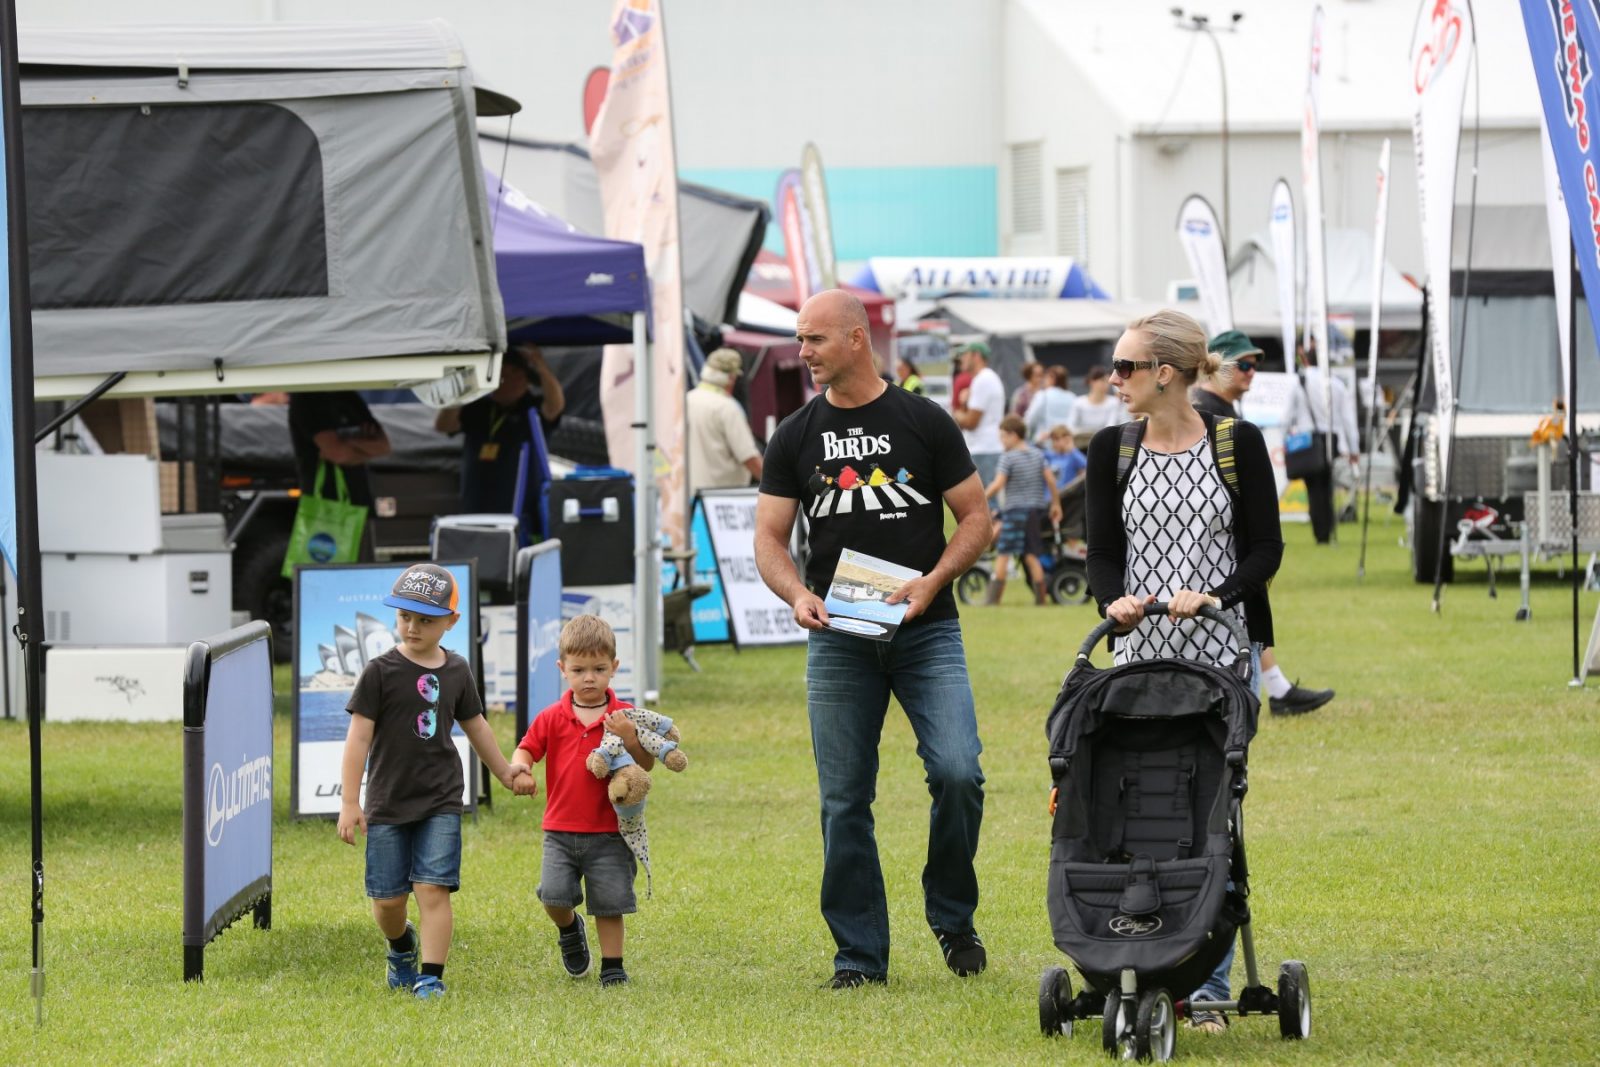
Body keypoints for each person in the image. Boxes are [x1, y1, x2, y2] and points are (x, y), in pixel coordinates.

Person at [754, 289, 991, 990]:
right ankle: (859, 954)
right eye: (801, 339)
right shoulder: (795, 433)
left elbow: (976, 517)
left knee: (958, 772)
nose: (803, 352)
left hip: (927, 631)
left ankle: (952, 916)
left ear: (857, 339)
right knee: (843, 800)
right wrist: (798, 593)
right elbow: (769, 538)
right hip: (840, 640)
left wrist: (933, 579)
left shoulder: (922, 419)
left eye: (814, 340)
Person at [1083, 310, 1284, 1033]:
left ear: (1165, 372)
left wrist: (1217, 594)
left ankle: (1209, 985)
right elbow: (1100, 553)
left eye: (1125, 367)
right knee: (1143, 810)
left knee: (1213, 816)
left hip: (1222, 660)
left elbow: (1266, 549)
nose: (1115, 380)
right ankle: (1143, 960)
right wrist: (1116, 599)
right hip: (1136, 664)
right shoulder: (1112, 448)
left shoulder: (1236, 443)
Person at [336, 563, 529, 999]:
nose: (413, 626)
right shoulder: (379, 672)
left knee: (433, 888)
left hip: (441, 799)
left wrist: (503, 771)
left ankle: (430, 976)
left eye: (425, 619)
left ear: (451, 621)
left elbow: (476, 726)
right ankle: (400, 944)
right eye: (405, 616)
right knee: (388, 901)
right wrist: (351, 801)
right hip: (387, 801)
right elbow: (358, 739)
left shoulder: (457, 671)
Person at [507, 614, 656, 988]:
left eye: (598, 668)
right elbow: (526, 750)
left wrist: (631, 737)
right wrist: (520, 768)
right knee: (554, 895)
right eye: (578, 669)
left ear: (614, 668)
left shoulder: (625, 715)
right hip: (559, 829)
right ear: (562, 669)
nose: (589, 677)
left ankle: (613, 966)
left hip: (609, 831)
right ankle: (570, 928)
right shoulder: (551, 717)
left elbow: (646, 763)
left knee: (610, 903)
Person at [1194, 330, 1335, 716]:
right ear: (1216, 366)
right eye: (1243, 365)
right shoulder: (1207, 411)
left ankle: (1275, 690)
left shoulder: (1220, 409)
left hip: (1232, 541)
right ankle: (1250, 696)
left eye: (1255, 365)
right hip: (1217, 544)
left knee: (1247, 611)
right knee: (1235, 614)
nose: (1251, 373)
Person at [435, 343, 565, 529]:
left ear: (523, 377)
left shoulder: (532, 409)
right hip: (476, 508)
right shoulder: (478, 407)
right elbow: (443, 425)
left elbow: (555, 406)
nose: (500, 381)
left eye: (506, 374)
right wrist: (463, 388)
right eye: (497, 374)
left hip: (520, 510)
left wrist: (540, 366)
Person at [288, 391, 392, 557]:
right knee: (328, 574)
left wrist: (346, 443)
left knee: (364, 570)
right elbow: (338, 453)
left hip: (360, 507)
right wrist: (363, 443)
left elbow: (384, 446)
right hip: (325, 510)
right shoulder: (306, 398)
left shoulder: (349, 395)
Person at [983, 414, 1062, 605]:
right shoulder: (1037, 454)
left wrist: (982, 498)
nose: (1001, 441)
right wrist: (1056, 504)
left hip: (1015, 511)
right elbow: (1050, 480)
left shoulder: (1008, 458)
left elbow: (999, 483)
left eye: (1003, 436)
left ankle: (993, 600)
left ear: (1013, 435)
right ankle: (1041, 600)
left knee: (1004, 553)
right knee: (1031, 554)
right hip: (1035, 511)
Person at [1286, 345, 1360, 545]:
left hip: (1307, 438)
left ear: (1306, 360)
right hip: (1331, 438)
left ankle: (1321, 530)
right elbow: (1348, 419)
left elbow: (1288, 415)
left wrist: (1288, 435)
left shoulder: (1299, 382)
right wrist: (1353, 449)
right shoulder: (1335, 384)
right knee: (1327, 485)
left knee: (1313, 487)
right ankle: (1327, 527)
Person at [685, 347, 763, 498]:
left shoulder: (686, 399)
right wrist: (778, 483)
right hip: (722, 498)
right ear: (732, 378)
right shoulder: (727, 407)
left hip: (689, 496)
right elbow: (749, 457)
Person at [951, 340, 1006, 488]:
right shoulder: (985, 378)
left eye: (965, 354)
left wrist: (957, 413)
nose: (961, 358)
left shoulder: (983, 380)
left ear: (976, 356)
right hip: (986, 448)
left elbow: (970, 422)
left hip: (984, 449)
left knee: (987, 502)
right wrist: (964, 404)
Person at [1067, 364, 1125, 441]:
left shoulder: (1114, 402)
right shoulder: (1078, 402)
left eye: (1107, 381)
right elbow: (1070, 426)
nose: (1106, 384)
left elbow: (1110, 426)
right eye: (1102, 380)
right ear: (1092, 381)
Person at [1025, 365, 1077, 445]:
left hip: (1045, 443)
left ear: (1052, 379)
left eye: (1046, 377)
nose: (1044, 380)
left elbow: (1031, 419)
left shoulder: (1042, 395)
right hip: (1067, 444)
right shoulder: (1073, 397)